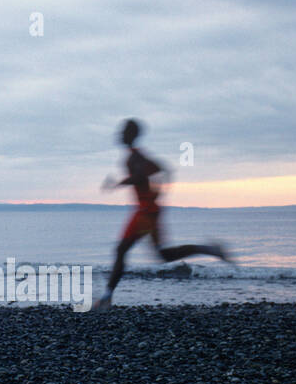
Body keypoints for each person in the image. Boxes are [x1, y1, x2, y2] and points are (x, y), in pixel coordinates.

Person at [93, 118, 227, 310]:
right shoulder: (138, 156)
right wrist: (158, 191)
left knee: (122, 250)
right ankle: (209, 249)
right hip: (147, 210)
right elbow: (164, 171)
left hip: (145, 212)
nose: (120, 134)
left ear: (131, 135)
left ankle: (106, 298)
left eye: (124, 131)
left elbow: (142, 176)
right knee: (162, 255)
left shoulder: (135, 158)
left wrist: (119, 184)